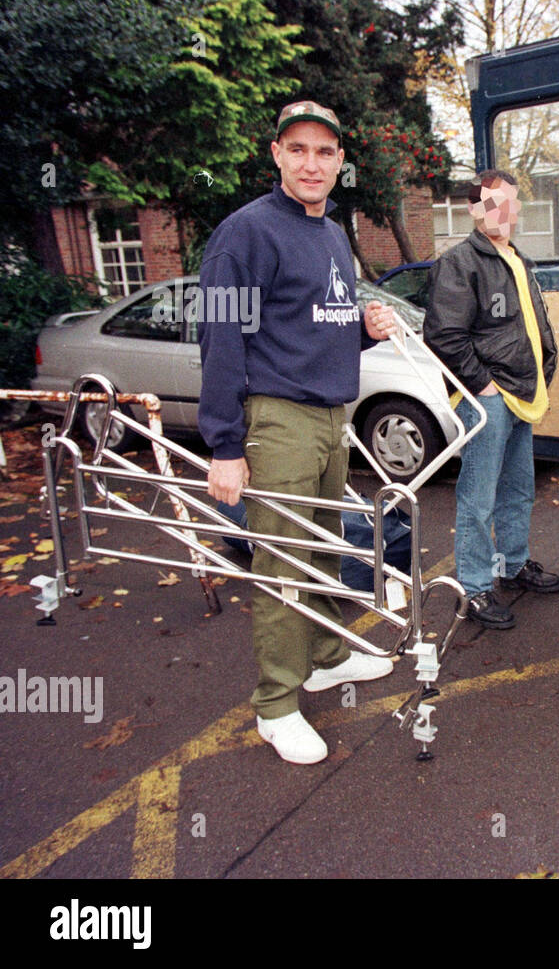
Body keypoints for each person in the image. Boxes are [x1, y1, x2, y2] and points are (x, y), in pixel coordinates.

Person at [199, 101, 400, 765]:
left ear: (341, 161)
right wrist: (225, 445)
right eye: (299, 149)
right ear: (277, 154)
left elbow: (316, 327)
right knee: (282, 561)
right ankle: (277, 706)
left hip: (331, 414)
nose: (312, 163)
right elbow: (222, 339)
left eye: (325, 151)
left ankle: (325, 657)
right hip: (277, 418)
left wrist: (362, 334)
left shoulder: (331, 233)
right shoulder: (245, 233)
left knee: (322, 547)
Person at [423, 170, 559, 629]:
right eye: (493, 203)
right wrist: (481, 385)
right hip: (491, 397)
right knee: (478, 499)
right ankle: (476, 588)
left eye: (510, 203)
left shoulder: (514, 257)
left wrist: (541, 370)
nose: (504, 212)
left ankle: (512, 565)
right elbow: (443, 334)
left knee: (518, 488)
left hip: (521, 393)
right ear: (475, 210)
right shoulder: (460, 262)